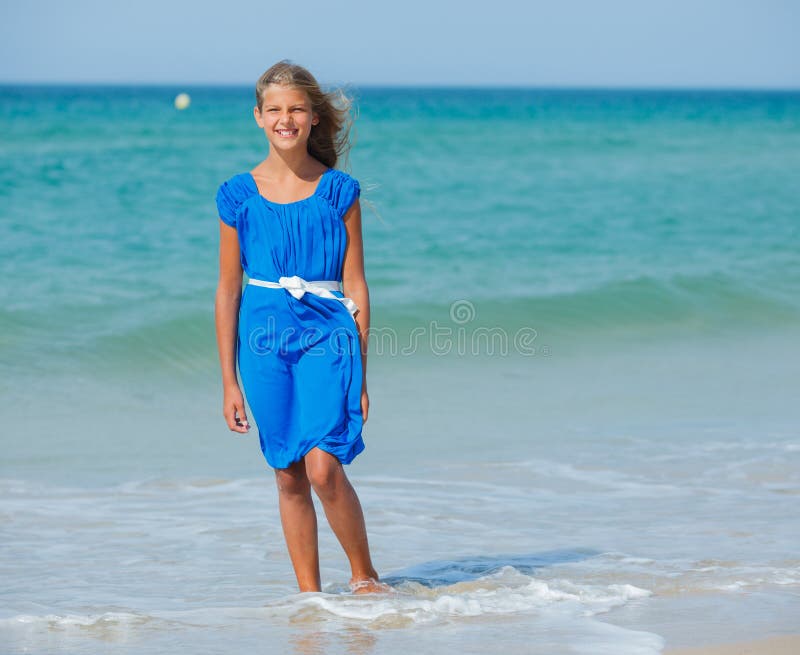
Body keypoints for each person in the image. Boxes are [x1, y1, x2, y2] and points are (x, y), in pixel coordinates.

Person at [214, 60, 385, 594]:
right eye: (275, 110)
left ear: (313, 118)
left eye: (296, 109)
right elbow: (227, 290)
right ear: (259, 118)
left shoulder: (339, 192)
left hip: (326, 336)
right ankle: (309, 601)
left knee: (323, 468)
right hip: (263, 340)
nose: (285, 118)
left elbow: (356, 286)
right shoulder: (237, 196)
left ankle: (365, 578)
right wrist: (228, 381)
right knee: (287, 471)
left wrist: (360, 376)